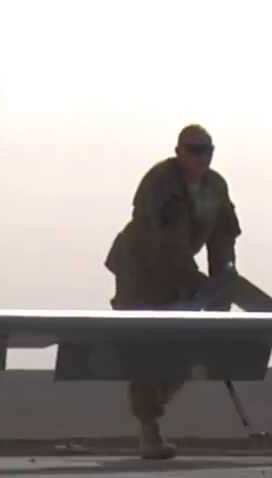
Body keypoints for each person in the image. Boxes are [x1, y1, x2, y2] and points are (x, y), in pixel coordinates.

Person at [104, 124, 242, 459]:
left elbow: (223, 238)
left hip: (179, 273)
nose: (201, 157)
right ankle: (149, 429)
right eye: (194, 150)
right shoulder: (161, 182)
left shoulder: (215, 187)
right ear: (179, 151)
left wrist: (223, 285)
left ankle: (154, 408)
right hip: (140, 272)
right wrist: (198, 284)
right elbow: (169, 242)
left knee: (186, 346)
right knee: (147, 347)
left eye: (207, 150)